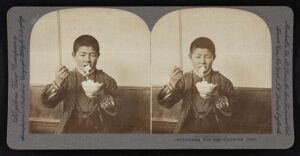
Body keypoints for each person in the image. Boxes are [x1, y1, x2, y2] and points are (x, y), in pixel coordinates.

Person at [41, 35, 118, 134]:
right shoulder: (66, 78)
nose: (87, 60)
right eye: (82, 55)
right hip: (70, 127)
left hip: (98, 128)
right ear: (74, 55)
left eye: (92, 55)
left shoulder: (107, 80)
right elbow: (48, 103)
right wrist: (58, 82)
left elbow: (117, 110)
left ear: (98, 56)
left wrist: (102, 96)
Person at [157, 37, 235, 133]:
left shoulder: (223, 81)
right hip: (187, 127)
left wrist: (217, 97)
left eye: (207, 57)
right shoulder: (184, 79)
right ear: (190, 57)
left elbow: (232, 110)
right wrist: (172, 84)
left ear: (214, 57)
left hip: (214, 128)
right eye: (198, 57)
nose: (202, 61)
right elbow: (166, 104)